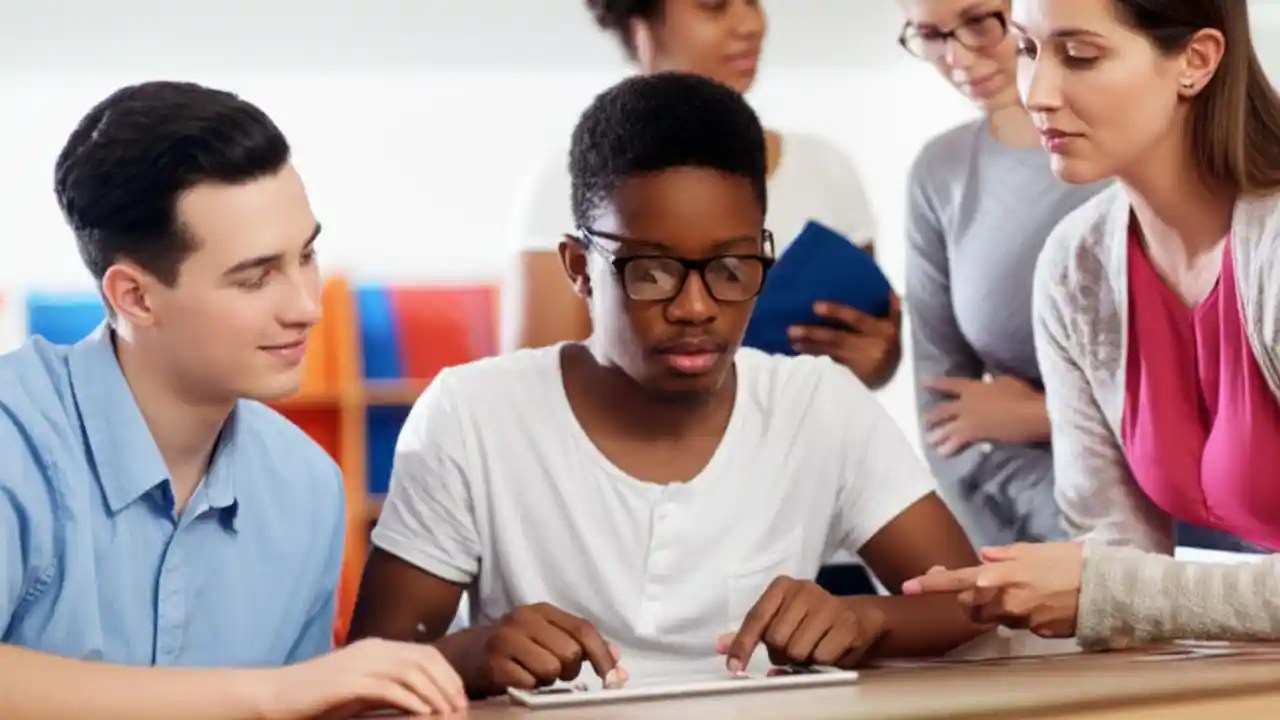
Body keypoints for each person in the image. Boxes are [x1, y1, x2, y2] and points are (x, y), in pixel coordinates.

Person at [349, 71, 984, 698]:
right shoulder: (473, 416)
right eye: (651, 272)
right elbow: (369, 671)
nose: (696, 307)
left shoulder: (815, 405)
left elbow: (966, 603)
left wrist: (863, 618)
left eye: (732, 268)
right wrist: (472, 653)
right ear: (579, 268)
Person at [0, 81, 465, 719]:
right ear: (135, 296)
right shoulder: (13, 436)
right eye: (255, 278)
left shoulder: (307, 488)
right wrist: (267, 695)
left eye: (306, 256)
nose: (305, 306)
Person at [900, 0, 1280, 650]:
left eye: (1080, 56)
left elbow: (1117, 589)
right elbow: (1114, 558)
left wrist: (1109, 594)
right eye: (1027, 49)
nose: (1038, 93)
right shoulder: (1076, 265)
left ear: (1196, 61)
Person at [505, 0, 901, 391]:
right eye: (714, 6)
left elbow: (866, 353)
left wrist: (878, 362)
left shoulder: (825, 169)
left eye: (752, 2)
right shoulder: (571, 182)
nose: (750, 25)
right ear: (640, 23)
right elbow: (536, 393)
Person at [897, 0, 1110, 549]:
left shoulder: (1134, 152)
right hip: (1029, 527)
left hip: (1192, 539)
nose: (958, 57)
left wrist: (1045, 417)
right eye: (931, 36)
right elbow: (946, 418)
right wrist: (1034, 556)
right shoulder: (940, 174)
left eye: (978, 22)